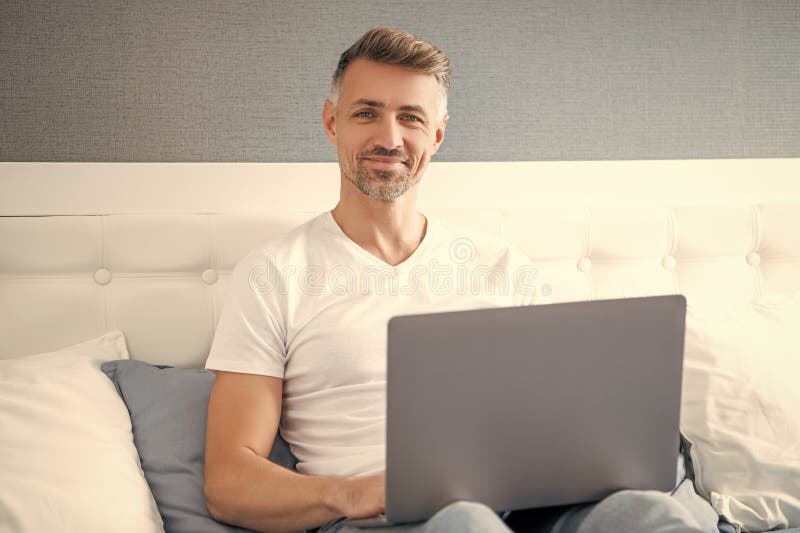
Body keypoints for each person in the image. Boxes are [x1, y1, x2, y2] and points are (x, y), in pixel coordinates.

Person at [203, 27, 716, 533]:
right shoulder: (274, 273)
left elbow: (564, 415)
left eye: (411, 117)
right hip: (384, 519)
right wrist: (353, 491)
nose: (389, 138)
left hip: (539, 506)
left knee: (652, 515)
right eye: (367, 113)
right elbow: (228, 482)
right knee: (465, 523)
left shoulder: (502, 267)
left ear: (438, 134)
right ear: (331, 121)